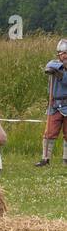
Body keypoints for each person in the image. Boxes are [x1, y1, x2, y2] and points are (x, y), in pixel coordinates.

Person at [37, 39, 67, 167]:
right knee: (49, 132)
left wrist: (62, 74)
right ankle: (45, 158)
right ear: (58, 54)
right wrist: (60, 68)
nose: (64, 55)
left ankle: (66, 159)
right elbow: (48, 65)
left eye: (66, 53)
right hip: (54, 105)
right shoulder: (54, 63)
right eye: (62, 53)